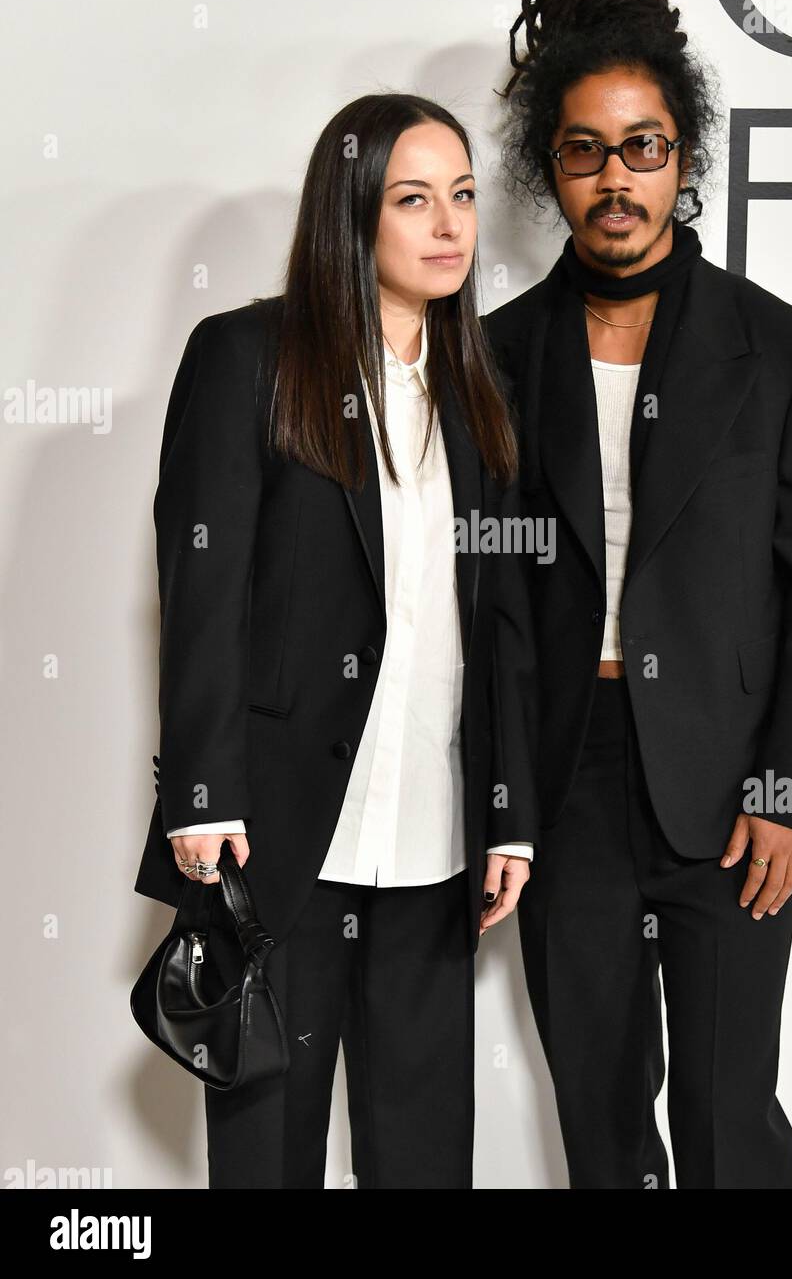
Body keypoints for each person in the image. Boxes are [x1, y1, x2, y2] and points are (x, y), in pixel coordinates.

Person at [484, 0, 792, 1188]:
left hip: (729, 773)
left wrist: (790, 787)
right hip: (565, 776)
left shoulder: (786, 355)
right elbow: (478, 597)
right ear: (552, 168)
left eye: (641, 147)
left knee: (725, 1116)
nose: (615, 179)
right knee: (598, 1115)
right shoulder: (489, 360)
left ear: (683, 154)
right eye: (586, 151)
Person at [133, 93, 538, 1188]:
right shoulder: (245, 357)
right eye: (414, 199)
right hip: (277, 840)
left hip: (433, 841)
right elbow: (201, 585)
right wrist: (201, 794)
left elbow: (498, 625)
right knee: (267, 1156)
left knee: (423, 1160)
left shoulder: (479, 392)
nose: (449, 224)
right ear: (351, 215)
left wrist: (510, 812)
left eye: (461, 195)